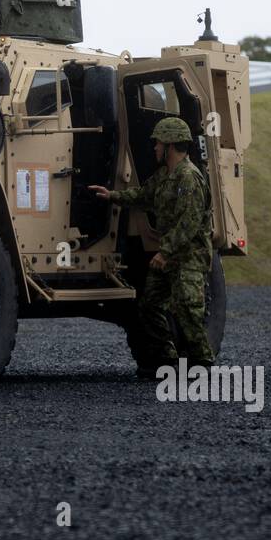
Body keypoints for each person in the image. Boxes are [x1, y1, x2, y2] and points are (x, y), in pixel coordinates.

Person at [89, 116, 215, 378]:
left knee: (188, 309)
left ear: (170, 145)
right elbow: (143, 196)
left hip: (188, 255)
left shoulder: (189, 178)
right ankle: (167, 360)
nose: (155, 148)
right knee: (149, 306)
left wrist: (164, 252)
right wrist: (111, 195)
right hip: (170, 255)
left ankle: (202, 364)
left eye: (158, 144)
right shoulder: (165, 176)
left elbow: (188, 224)